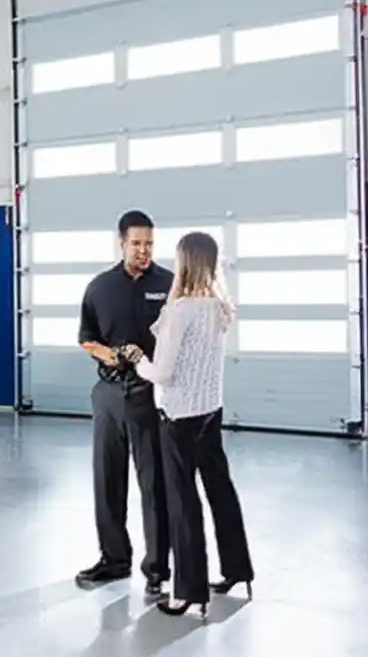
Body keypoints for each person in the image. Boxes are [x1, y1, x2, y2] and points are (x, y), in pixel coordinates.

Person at [132, 231, 255, 618]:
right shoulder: (219, 308)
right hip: (210, 411)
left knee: (182, 501)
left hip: (179, 416)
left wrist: (137, 361)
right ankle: (238, 570)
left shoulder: (180, 309)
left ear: (184, 262)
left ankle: (188, 592)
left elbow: (164, 372)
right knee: (220, 490)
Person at [75, 210, 173, 596]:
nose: (143, 251)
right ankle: (114, 560)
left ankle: (157, 569)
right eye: (136, 244)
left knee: (155, 483)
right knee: (107, 479)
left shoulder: (169, 284)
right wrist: (110, 354)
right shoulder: (99, 288)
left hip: (152, 396)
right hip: (110, 394)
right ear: (121, 242)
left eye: (149, 244)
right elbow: (86, 338)